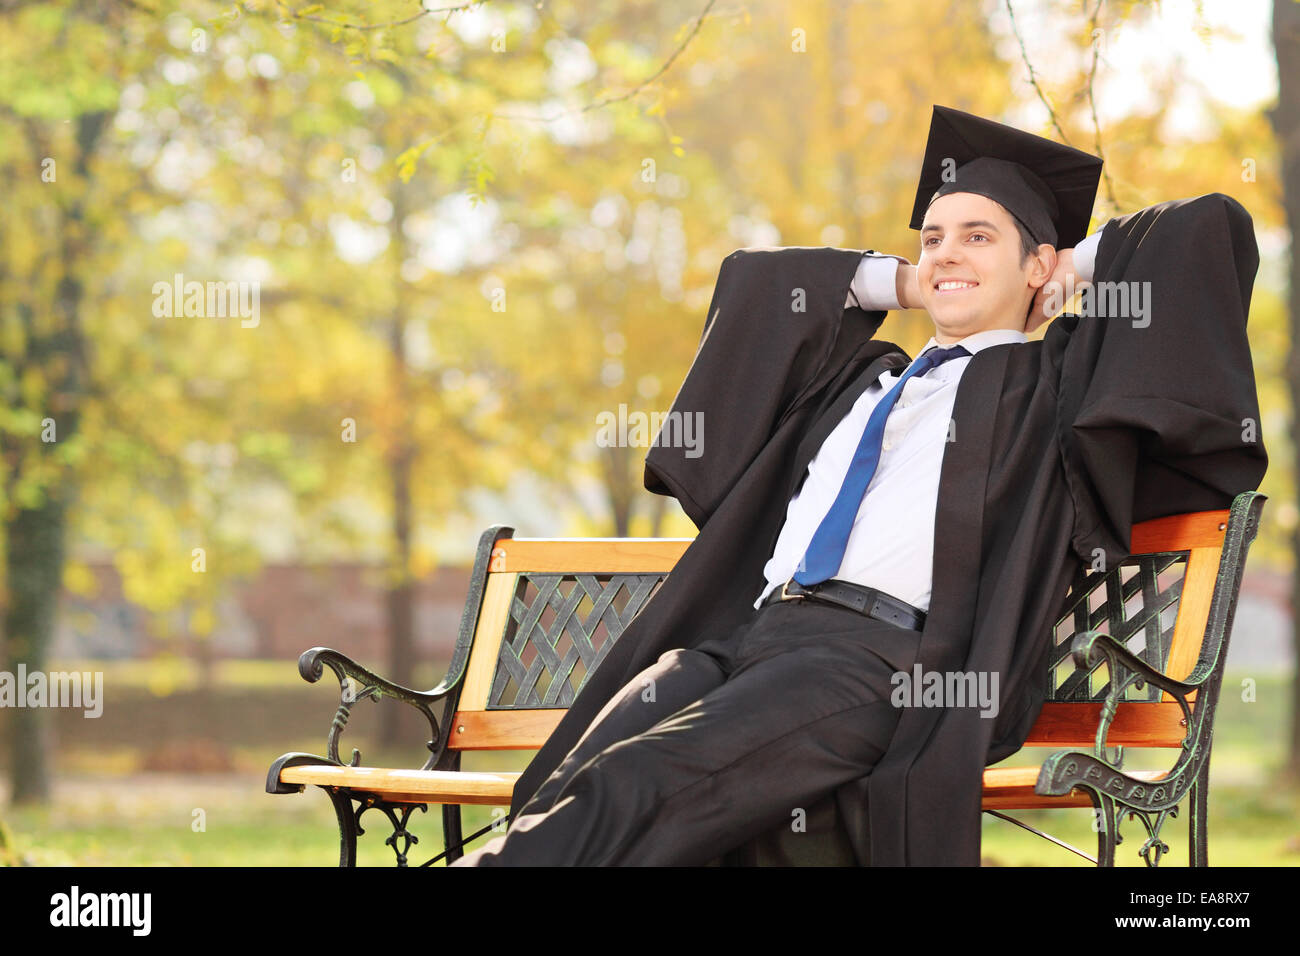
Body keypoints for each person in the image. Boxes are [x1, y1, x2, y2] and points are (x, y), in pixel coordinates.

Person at [450, 105, 1268, 866]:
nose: (946, 252)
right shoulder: (860, 381)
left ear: (1039, 266)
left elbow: (1206, 232)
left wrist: (1063, 269)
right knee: (576, 776)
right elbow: (757, 283)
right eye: (934, 238)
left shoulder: (1050, 388)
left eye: (979, 237)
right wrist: (909, 284)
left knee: (643, 783)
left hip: (878, 663)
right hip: (745, 641)